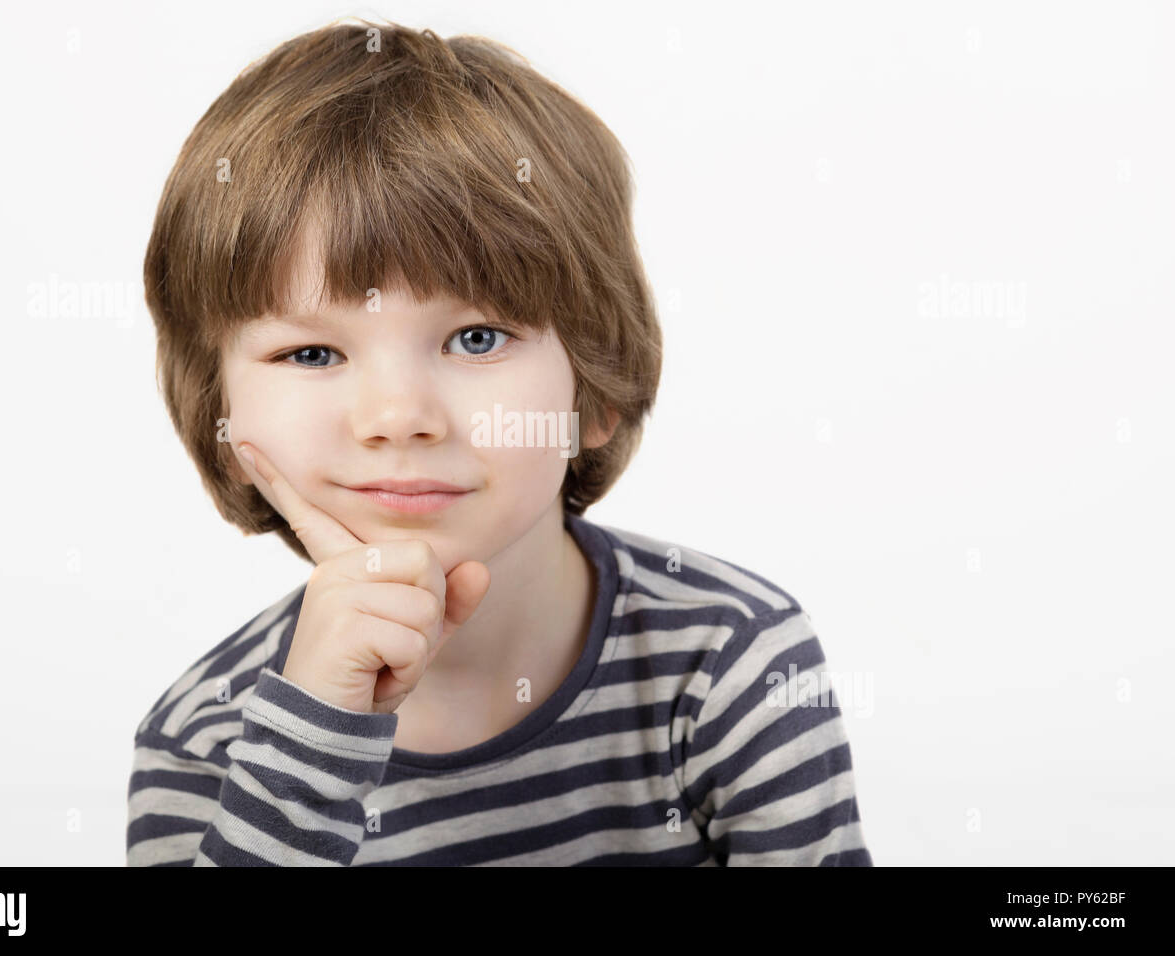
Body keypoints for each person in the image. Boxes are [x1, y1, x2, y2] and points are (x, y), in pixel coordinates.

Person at [127, 17, 871, 866]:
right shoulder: (203, 741)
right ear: (224, 426)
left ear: (595, 389)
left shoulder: (733, 663)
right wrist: (312, 752)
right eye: (311, 352)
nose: (397, 415)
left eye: (476, 338)